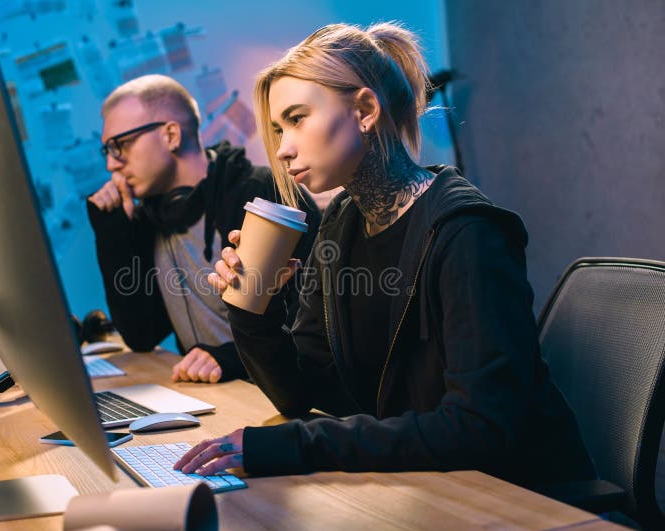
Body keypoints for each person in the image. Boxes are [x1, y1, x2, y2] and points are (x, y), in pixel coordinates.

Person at [174, 22, 596, 489]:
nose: (283, 149)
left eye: (297, 119)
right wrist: (253, 307)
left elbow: (479, 426)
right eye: (278, 128)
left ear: (365, 110)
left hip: (520, 494)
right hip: (426, 483)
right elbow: (300, 395)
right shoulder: (342, 221)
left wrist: (295, 446)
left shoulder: (466, 232)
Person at [87, 75, 319, 383]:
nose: (112, 165)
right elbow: (141, 334)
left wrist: (229, 357)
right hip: (214, 396)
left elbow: (314, 327)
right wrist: (112, 228)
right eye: (108, 151)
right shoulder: (152, 217)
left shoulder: (262, 194)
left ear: (171, 135)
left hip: (283, 396)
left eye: (121, 145)